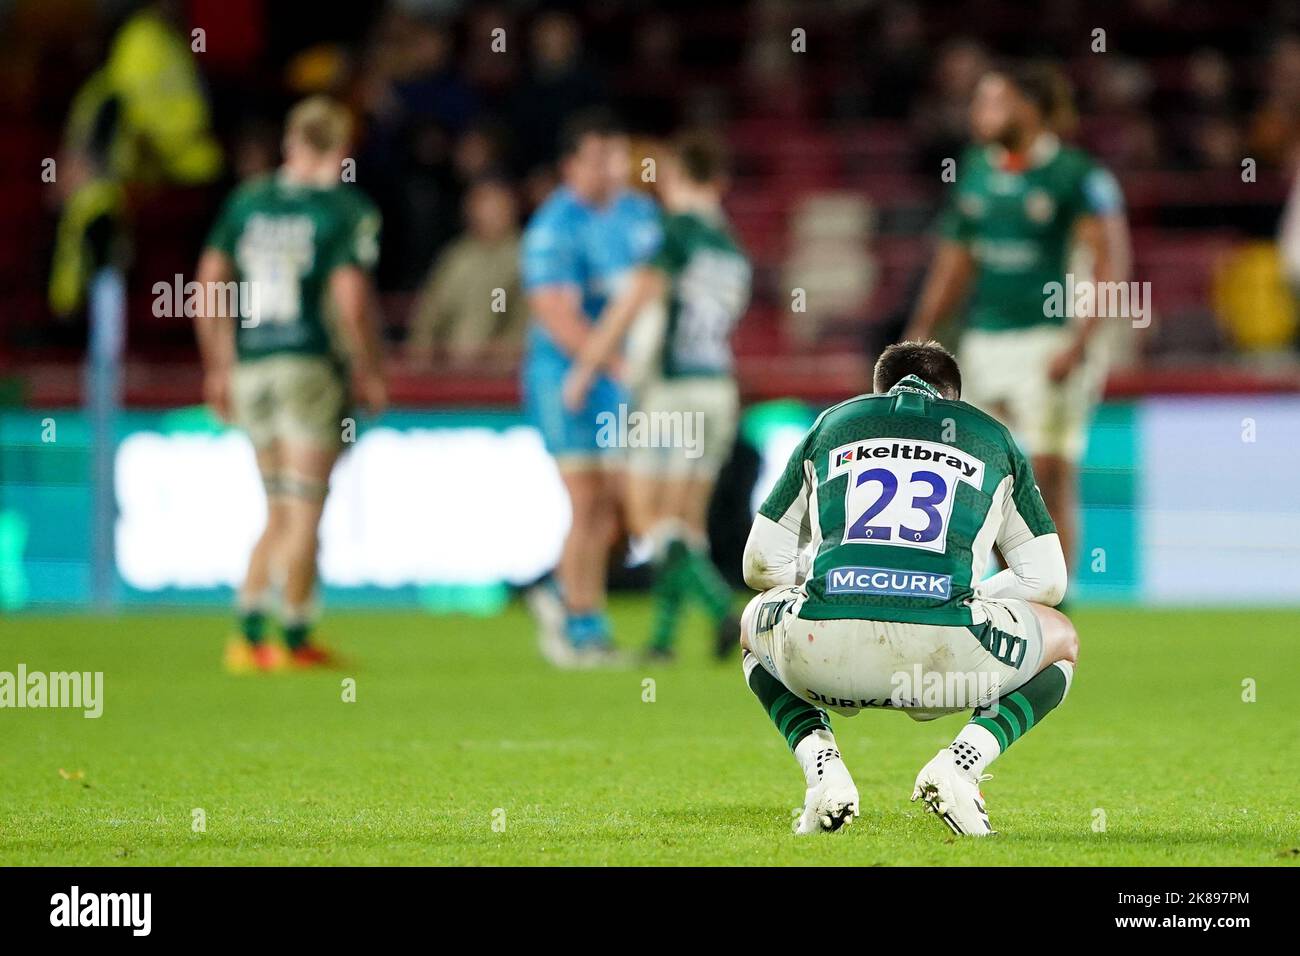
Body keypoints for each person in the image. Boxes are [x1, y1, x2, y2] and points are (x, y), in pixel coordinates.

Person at [740, 341, 1077, 836]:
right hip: (950, 665)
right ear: (955, 399)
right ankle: (961, 765)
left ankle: (823, 773)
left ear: (879, 393)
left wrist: (830, 576)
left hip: (823, 659)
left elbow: (760, 566)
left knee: (751, 626)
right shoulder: (990, 437)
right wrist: (964, 591)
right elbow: (1046, 581)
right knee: (1064, 639)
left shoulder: (833, 425)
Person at [903, 62, 1132, 573]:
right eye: (978, 102)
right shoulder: (977, 170)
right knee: (984, 472)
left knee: (1049, 472)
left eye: (994, 101)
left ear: (1029, 108)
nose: (980, 114)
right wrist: (918, 337)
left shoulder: (1076, 175)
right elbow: (954, 263)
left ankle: (1054, 603)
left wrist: (1082, 342)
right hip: (986, 340)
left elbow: (1110, 262)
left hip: (1052, 337)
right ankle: (1002, 598)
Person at [193, 96, 387, 672]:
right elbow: (350, 300)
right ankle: (293, 636)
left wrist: (219, 363)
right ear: (343, 148)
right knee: (304, 508)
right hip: (307, 365)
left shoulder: (248, 201)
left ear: (290, 142)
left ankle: (251, 635)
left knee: (278, 507)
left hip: (252, 364)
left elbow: (208, 282)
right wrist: (371, 366)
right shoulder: (344, 209)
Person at [563, 132, 750, 660]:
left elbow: (632, 304)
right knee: (686, 522)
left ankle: (721, 611)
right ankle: (664, 641)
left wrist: (586, 367)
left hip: (674, 390)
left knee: (647, 517)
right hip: (718, 386)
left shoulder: (674, 234)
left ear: (672, 178)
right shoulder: (731, 246)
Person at [520, 109, 661, 666]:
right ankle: (584, 627)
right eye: (600, 158)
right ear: (572, 165)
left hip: (615, 377)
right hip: (568, 380)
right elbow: (555, 312)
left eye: (617, 156)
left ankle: (560, 596)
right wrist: (610, 367)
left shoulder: (639, 213)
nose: (612, 169)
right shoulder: (554, 226)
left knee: (619, 505)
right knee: (589, 503)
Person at [405, 179, 524, 366]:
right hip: (451, 372)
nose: (489, 213)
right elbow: (431, 313)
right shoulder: (457, 257)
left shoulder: (526, 257)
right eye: (482, 204)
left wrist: (501, 358)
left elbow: (527, 322)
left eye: (497, 205)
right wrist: (420, 356)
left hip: (503, 375)